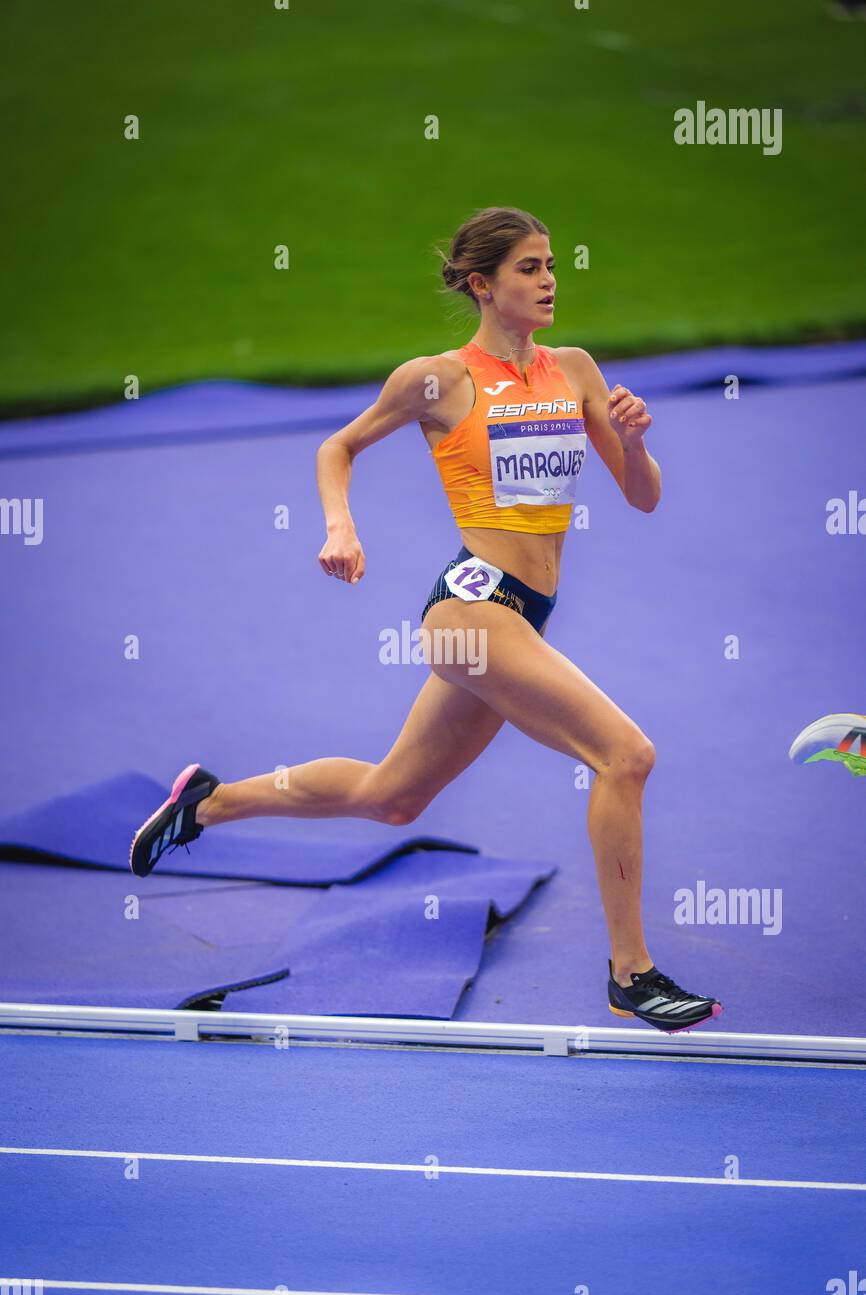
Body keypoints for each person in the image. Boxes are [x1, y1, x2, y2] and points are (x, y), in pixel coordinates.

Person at [130, 206, 722, 1034]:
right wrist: (341, 525)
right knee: (625, 756)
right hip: (469, 611)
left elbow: (643, 497)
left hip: (524, 618)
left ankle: (208, 804)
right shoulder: (437, 379)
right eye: (528, 268)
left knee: (394, 797)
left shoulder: (577, 370)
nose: (549, 280)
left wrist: (632, 440)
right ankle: (632, 972)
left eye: (552, 265)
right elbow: (337, 447)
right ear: (483, 284)